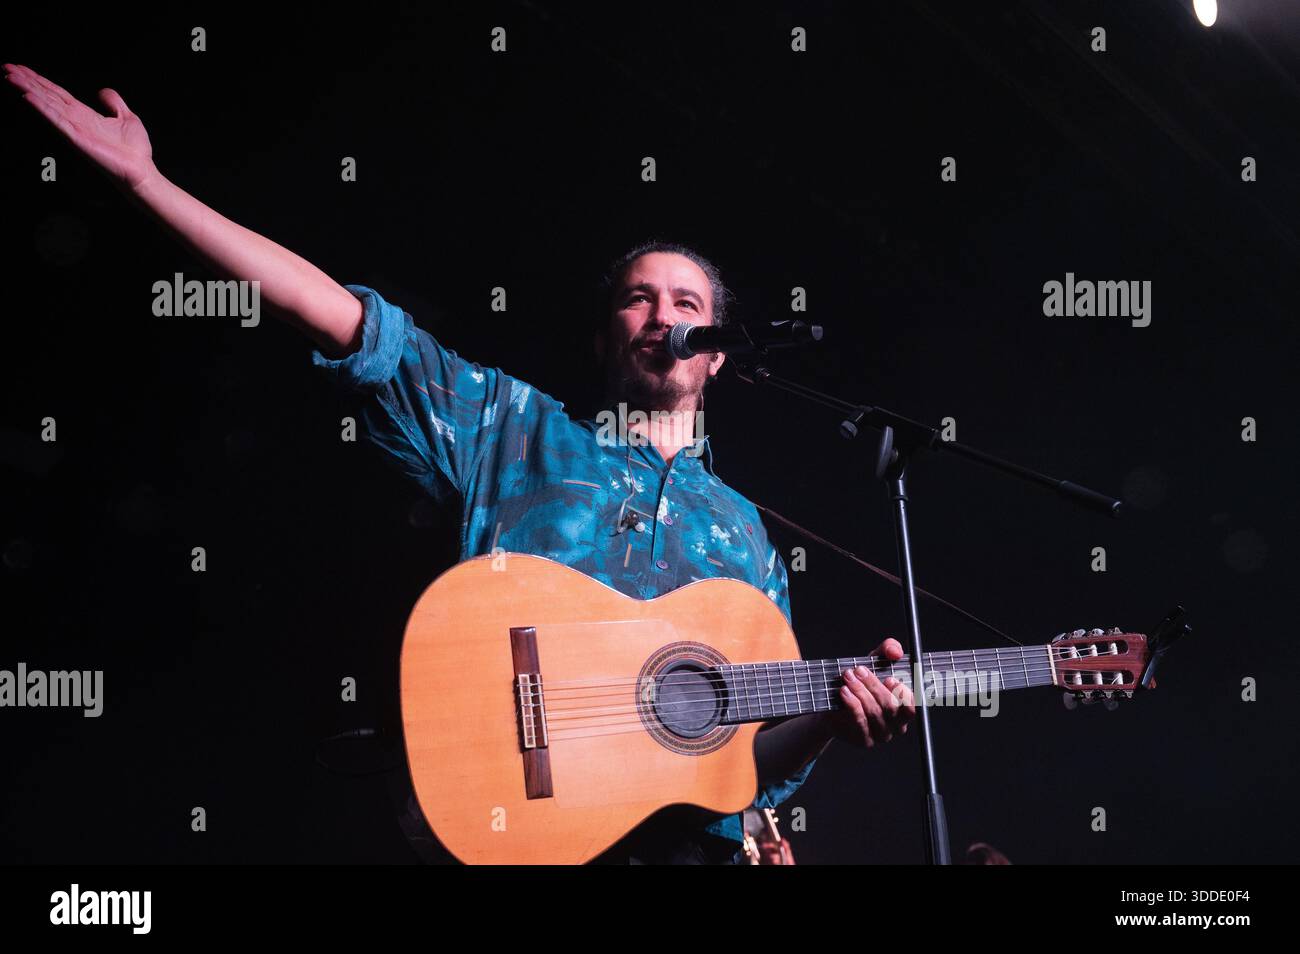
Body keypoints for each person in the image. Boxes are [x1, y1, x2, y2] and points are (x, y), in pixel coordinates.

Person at [5, 63, 917, 864]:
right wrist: (150, 184)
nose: (662, 314)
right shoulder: (514, 424)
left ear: (717, 351)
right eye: (638, 300)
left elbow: (745, 768)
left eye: (685, 302)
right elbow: (342, 320)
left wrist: (833, 724)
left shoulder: (748, 538)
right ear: (609, 335)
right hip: (516, 833)